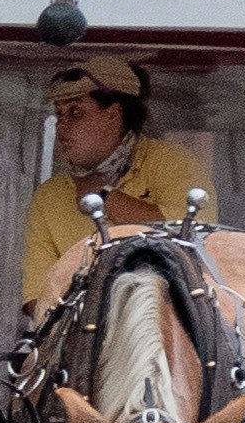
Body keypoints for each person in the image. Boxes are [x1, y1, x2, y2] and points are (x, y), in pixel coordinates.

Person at [20, 51, 212, 311]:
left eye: (75, 113)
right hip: (81, 334)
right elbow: (37, 297)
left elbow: (195, 246)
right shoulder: (49, 197)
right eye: (58, 114)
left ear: (113, 114)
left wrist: (106, 198)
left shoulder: (171, 163)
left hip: (170, 325)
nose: (61, 127)